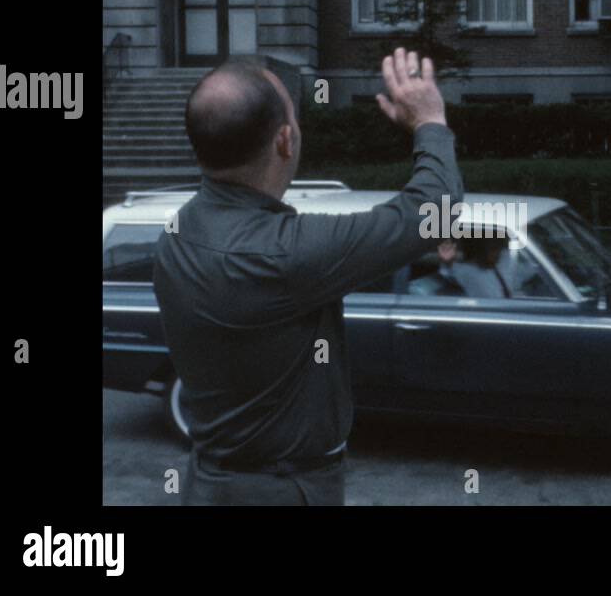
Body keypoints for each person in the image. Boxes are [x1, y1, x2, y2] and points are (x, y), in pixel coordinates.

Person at [152, 48, 463, 505]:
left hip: (209, 482)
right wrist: (430, 120)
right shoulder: (285, 255)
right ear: (285, 141)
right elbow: (434, 210)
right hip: (283, 492)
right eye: (294, 118)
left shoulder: (175, 237)